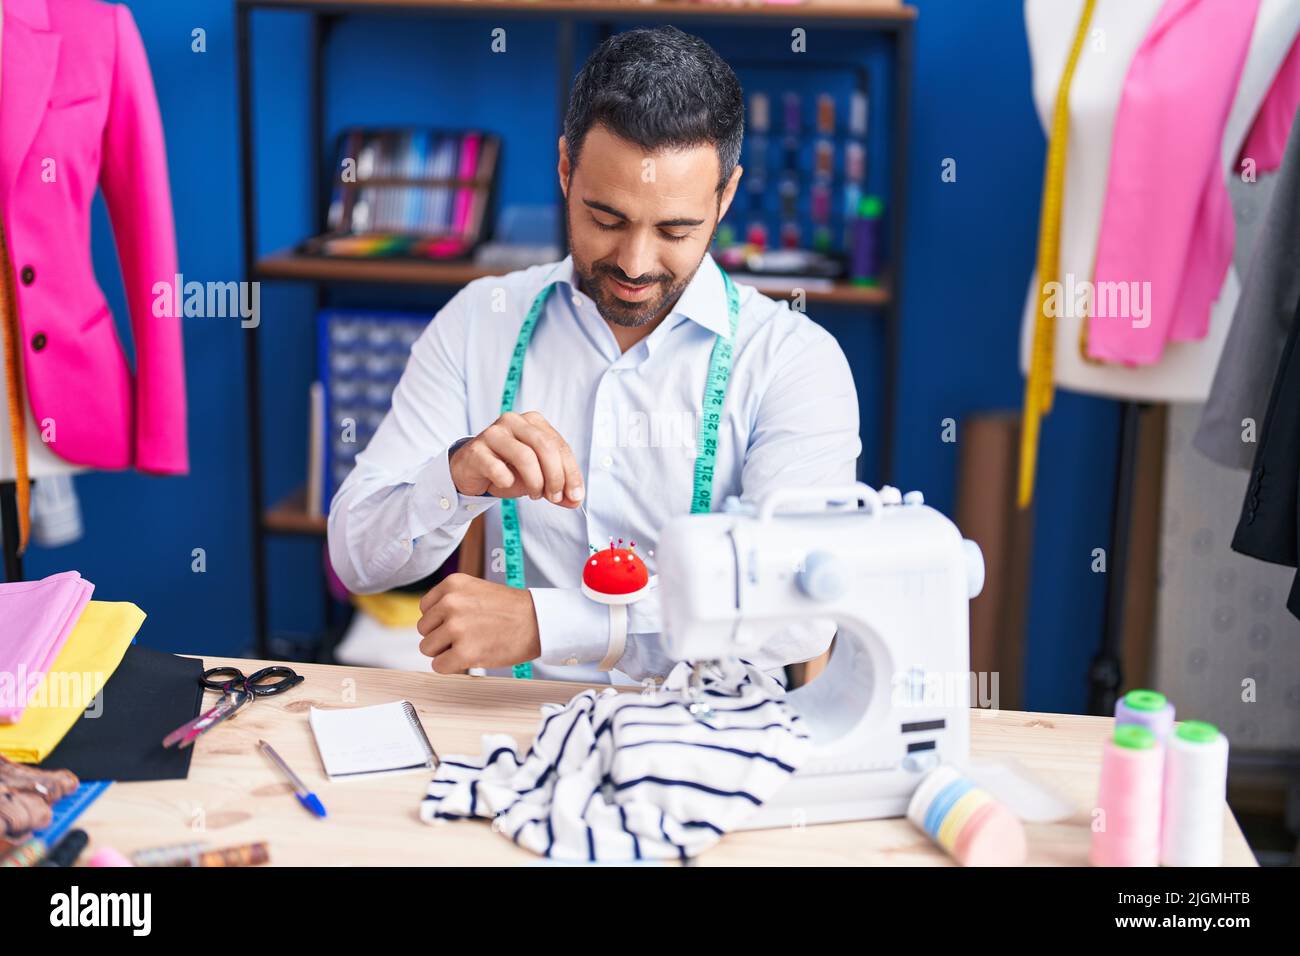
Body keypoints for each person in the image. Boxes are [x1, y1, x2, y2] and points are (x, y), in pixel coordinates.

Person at [327, 26, 860, 685]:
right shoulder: (479, 322)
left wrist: (551, 624)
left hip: (712, 750)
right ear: (564, 170)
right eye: (606, 219)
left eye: (674, 229)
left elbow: (799, 614)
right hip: (514, 743)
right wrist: (457, 476)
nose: (635, 264)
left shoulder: (794, 361)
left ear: (725, 196)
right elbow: (356, 560)